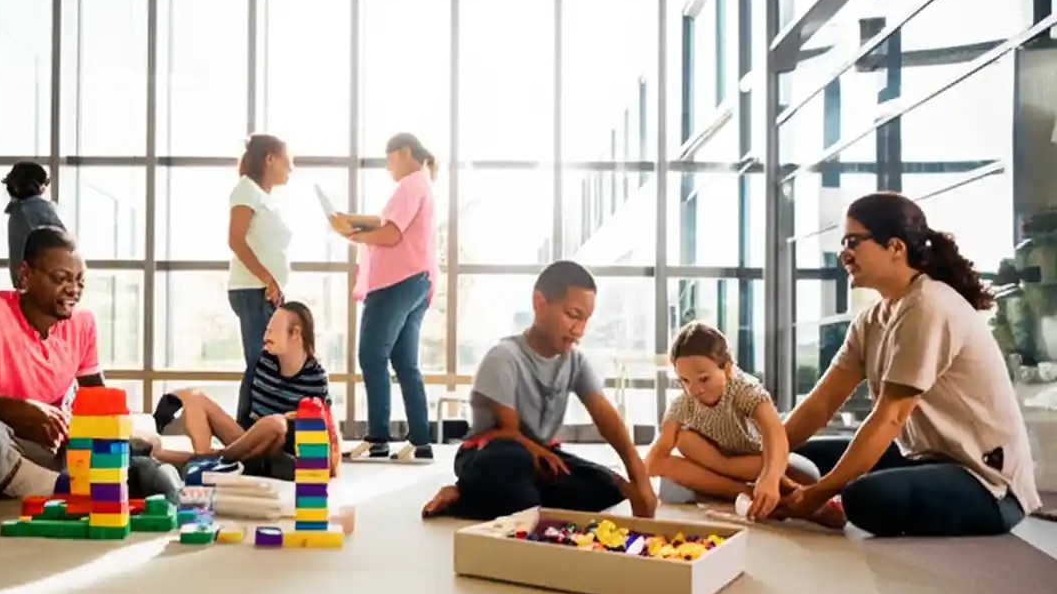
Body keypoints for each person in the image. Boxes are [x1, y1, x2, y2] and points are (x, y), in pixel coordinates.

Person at [781, 192, 1041, 537]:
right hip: (920, 458)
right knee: (797, 457)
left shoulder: (928, 305)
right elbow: (822, 403)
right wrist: (767, 456)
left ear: (895, 247)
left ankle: (835, 502)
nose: (844, 253)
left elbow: (890, 416)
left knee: (864, 497)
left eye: (853, 241)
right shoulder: (872, 319)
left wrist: (818, 493)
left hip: (986, 484)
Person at [422, 261, 657, 520]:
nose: (579, 330)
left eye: (585, 320)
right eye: (573, 315)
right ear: (539, 303)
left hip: (541, 456)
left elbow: (602, 411)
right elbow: (509, 432)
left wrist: (638, 475)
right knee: (520, 486)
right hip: (493, 453)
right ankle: (462, 494)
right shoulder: (503, 357)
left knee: (610, 488)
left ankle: (500, 496)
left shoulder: (575, 361)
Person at [0, 226, 102, 498]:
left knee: (123, 437)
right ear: (26, 274)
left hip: (43, 443)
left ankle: (14, 480)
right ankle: (55, 487)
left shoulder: (83, 322)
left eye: (80, 281)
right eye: (61, 278)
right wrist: (13, 409)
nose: (73, 289)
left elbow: (97, 395)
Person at [646, 322, 844, 527]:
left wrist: (770, 477)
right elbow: (655, 459)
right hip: (717, 463)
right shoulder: (683, 403)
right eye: (684, 381)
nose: (694, 390)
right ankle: (748, 493)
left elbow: (774, 433)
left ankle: (801, 500)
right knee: (683, 440)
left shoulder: (744, 389)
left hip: (754, 461)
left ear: (728, 368)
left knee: (792, 471)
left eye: (704, 379)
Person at [144, 302, 339, 481]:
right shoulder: (263, 362)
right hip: (246, 440)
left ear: (296, 333)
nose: (265, 337)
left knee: (276, 423)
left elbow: (321, 430)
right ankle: (205, 463)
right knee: (193, 397)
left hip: (280, 448)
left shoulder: (316, 377)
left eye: (272, 331)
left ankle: (207, 459)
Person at [336, 133, 438, 462]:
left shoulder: (410, 184)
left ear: (404, 152)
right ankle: (420, 441)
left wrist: (353, 234)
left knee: (371, 354)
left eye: (388, 158)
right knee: (405, 363)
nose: (387, 166)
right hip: (418, 280)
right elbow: (396, 229)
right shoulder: (423, 184)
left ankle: (378, 436)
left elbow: (391, 234)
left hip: (396, 280)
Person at [228, 134, 294, 376]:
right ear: (270, 159)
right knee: (261, 367)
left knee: (266, 367)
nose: (291, 168)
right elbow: (236, 240)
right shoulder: (246, 190)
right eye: (287, 160)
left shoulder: (263, 196)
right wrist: (268, 280)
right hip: (253, 291)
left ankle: (257, 415)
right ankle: (248, 416)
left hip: (264, 292)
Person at [2, 161, 64, 289]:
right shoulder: (40, 209)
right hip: (44, 283)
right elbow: (65, 244)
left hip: (26, 284)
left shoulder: (17, 212)